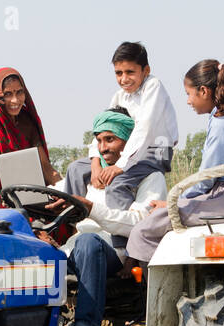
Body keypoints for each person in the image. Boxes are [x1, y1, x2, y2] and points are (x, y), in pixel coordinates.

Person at [45, 108, 166, 326]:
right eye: (99, 140)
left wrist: (91, 208)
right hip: (75, 250)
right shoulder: (87, 171)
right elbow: (57, 190)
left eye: (110, 140)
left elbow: (140, 224)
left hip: (115, 252)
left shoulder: (148, 177)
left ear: (129, 140)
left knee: (89, 243)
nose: (103, 148)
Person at [126, 59, 224, 265]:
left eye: (189, 94)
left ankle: (153, 291)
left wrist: (173, 201)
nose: (188, 101)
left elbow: (206, 179)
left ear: (204, 91)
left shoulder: (221, 124)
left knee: (144, 230)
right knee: (160, 218)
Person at [63, 41, 180, 209]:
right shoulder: (120, 96)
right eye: (119, 73)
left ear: (146, 70)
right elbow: (104, 128)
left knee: (117, 182)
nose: (124, 79)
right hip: (125, 153)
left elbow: (144, 127)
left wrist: (119, 166)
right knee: (75, 169)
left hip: (155, 152)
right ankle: (70, 225)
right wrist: (96, 163)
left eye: (130, 72)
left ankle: (121, 233)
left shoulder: (153, 86)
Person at [0, 66, 60, 210]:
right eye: (7, 94)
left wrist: (64, 190)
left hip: (28, 196)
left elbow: (46, 168)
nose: (15, 100)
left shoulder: (27, 121)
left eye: (19, 92)